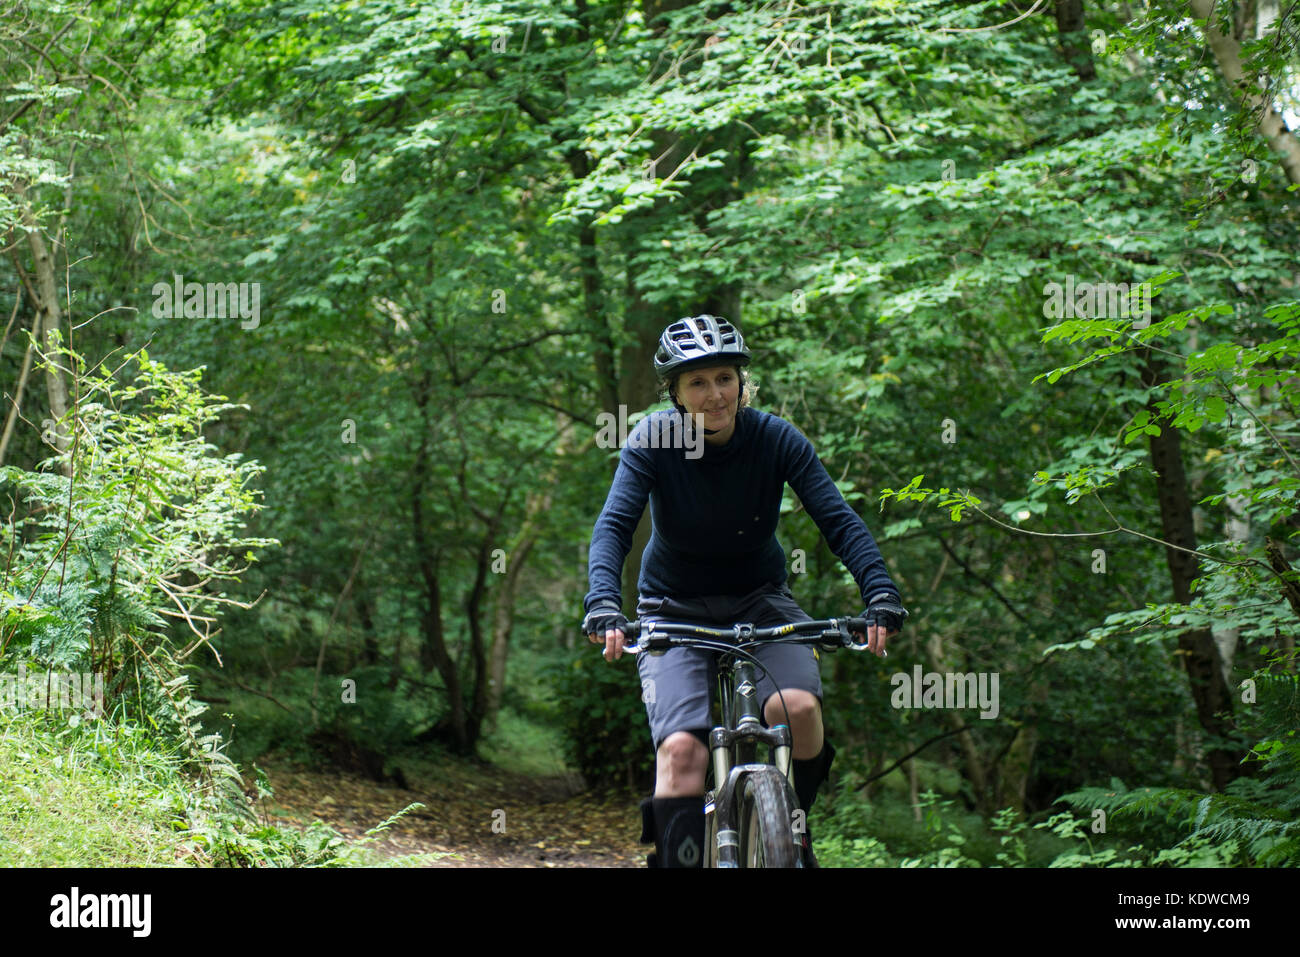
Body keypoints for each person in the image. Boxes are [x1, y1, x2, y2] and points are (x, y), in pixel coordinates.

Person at [581, 314, 907, 867]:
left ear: (742, 381)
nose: (715, 395)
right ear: (676, 394)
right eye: (697, 383)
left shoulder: (776, 438)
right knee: (683, 752)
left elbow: (839, 520)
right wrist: (604, 604)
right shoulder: (654, 440)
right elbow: (614, 526)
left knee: (797, 709)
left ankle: (789, 831)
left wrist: (879, 592)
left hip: (761, 600)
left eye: (725, 378)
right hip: (672, 608)